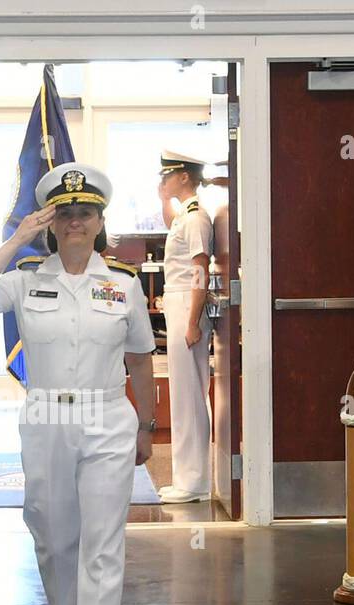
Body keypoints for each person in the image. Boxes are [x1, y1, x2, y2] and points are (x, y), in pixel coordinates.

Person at [0, 163, 158, 605]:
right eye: (65, 213)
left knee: (102, 543)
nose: (75, 222)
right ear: (51, 222)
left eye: (85, 213)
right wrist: (16, 238)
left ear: (99, 223)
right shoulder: (25, 277)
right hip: (46, 415)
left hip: (108, 416)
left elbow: (141, 358)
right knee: (50, 532)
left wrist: (147, 427)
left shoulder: (123, 283)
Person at [156, 150, 214, 505]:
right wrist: (162, 200)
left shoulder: (196, 218)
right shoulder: (183, 217)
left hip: (185, 304)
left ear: (184, 177)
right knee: (182, 394)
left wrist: (192, 321)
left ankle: (194, 482)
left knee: (190, 395)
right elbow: (170, 228)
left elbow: (200, 269)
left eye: (167, 176)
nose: (162, 182)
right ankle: (186, 478)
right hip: (177, 301)